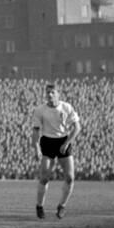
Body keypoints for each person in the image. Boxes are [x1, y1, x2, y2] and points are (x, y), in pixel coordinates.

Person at [29, 82, 81, 219]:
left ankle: (62, 206)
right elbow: (35, 131)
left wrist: (67, 142)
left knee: (70, 177)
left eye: (52, 92)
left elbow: (77, 128)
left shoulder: (66, 107)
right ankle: (39, 206)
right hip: (47, 142)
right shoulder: (40, 110)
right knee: (45, 177)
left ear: (58, 94)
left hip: (63, 140)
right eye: (47, 92)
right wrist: (36, 148)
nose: (50, 95)